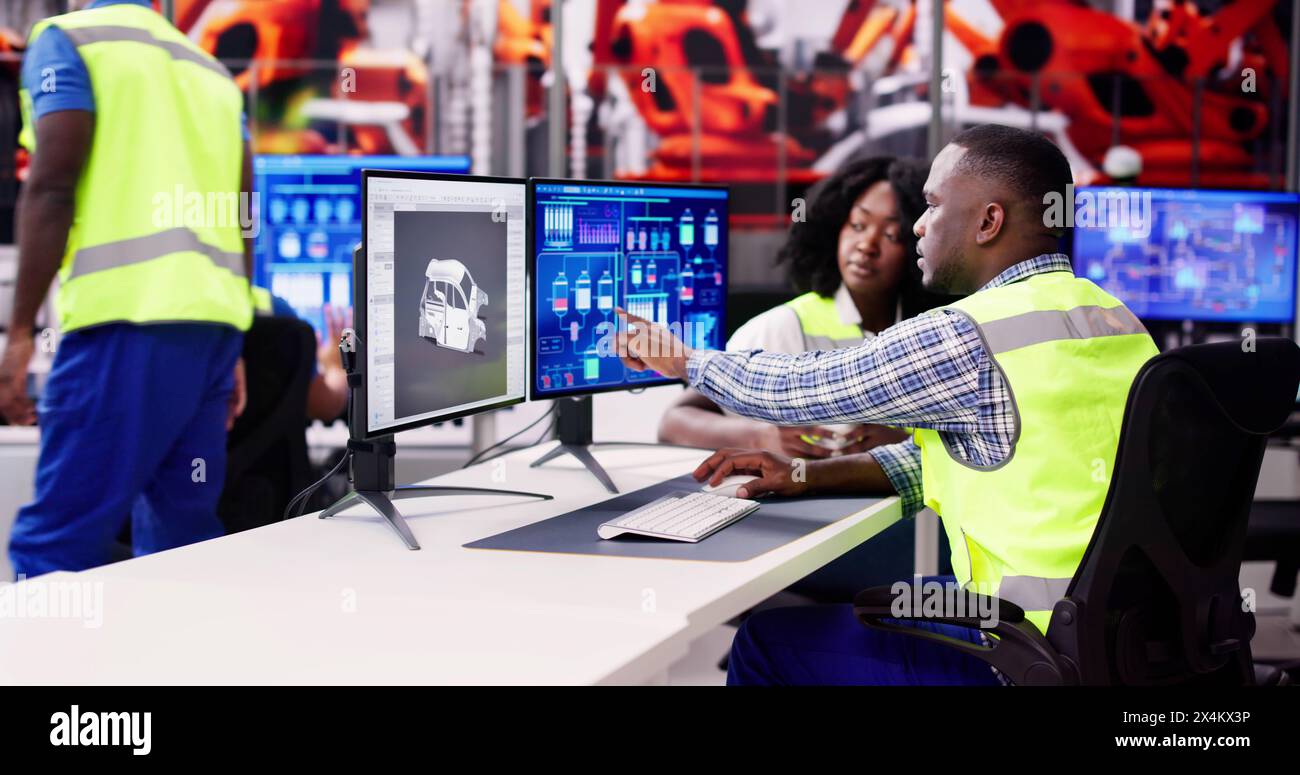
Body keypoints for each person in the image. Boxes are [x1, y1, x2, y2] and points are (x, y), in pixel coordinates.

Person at [613, 124, 1159, 685]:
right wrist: (806, 475)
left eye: (930, 205)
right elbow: (975, 461)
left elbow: (808, 387)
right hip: (1126, 633)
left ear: (989, 222)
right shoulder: (1116, 319)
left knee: (766, 642)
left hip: (1027, 650)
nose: (919, 226)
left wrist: (682, 360)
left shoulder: (968, 332)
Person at [0, 0, 253, 577]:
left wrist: (18, 336)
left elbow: (52, 186)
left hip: (125, 326)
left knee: (56, 549)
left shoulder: (69, 40)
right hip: (209, 335)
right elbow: (245, 214)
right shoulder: (209, 69)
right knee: (182, 542)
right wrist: (235, 333)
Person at [659, 155, 953, 599]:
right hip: (810, 528)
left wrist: (901, 437)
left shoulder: (930, 330)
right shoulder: (783, 325)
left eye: (890, 234)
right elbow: (675, 421)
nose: (866, 246)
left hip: (896, 523)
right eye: (857, 226)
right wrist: (762, 435)